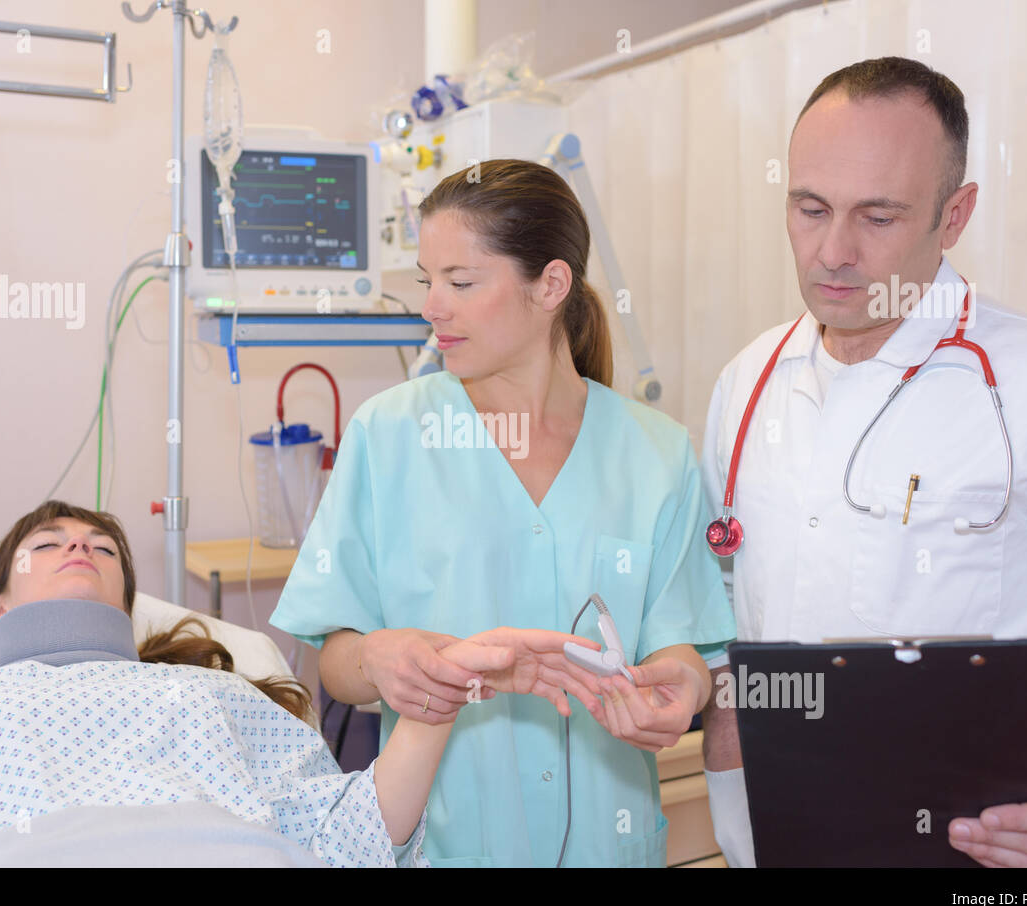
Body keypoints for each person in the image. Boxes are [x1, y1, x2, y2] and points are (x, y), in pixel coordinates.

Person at [699, 56, 1027, 867]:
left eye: (879, 217)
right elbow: (729, 613)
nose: (833, 251)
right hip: (770, 838)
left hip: (976, 852)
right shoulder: (748, 381)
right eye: (810, 207)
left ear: (954, 214)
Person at [270, 159, 735, 867]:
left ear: (550, 284)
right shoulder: (388, 435)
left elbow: (679, 641)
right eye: (427, 280)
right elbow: (334, 660)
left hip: (608, 845)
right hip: (446, 843)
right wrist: (376, 657)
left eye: (460, 282)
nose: (432, 305)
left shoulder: (655, 452)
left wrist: (684, 684)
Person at [0, 500, 601, 867]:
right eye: (49, 542)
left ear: (127, 610)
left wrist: (438, 701)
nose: (79, 547)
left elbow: (350, 839)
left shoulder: (215, 695)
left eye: (101, 546)